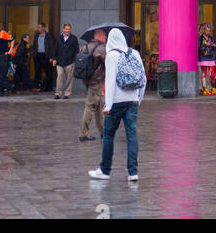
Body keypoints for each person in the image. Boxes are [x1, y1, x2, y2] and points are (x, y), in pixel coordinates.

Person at [89, 27, 146, 183]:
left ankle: (105, 170)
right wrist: (138, 98)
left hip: (116, 103)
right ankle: (133, 172)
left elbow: (110, 81)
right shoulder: (135, 53)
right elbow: (143, 78)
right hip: (132, 100)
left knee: (108, 136)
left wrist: (108, 104)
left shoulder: (111, 56)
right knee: (132, 136)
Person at [79, 28, 106, 142]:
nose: (105, 38)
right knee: (90, 106)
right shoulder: (101, 49)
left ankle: (103, 132)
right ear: (99, 36)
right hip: (97, 82)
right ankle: (83, 133)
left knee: (99, 106)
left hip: (87, 80)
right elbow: (108, 63)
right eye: (104, 36)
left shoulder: (84, 47)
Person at [52, 22, 79, 99]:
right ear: (63, 29)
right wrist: (54, 59)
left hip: (69, 62)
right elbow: (55, 49)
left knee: (69, 79)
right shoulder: (59, 38)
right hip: (59, 61)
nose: (67, 30)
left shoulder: (74, 38)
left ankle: (67, 93)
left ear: (70, 30)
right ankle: (58, 93)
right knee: (59, 77)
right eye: (66, 29)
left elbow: (76, 50)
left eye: (69, 29)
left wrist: (74, 60)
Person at [32, 22, 54, 92]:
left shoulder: (48, 36)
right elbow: (34, 45)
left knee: (48, 72)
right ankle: (38, 87)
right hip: (37, 56)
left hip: (46, 56)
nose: (38, 28)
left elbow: (51, 47)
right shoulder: (36, 36)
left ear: (44, 28)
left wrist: (51, 57)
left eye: (39, 27)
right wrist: (34, 54)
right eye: (38, 27)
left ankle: (48, 87)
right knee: (37, 71)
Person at [198, 22, 216, 95]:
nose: (208, 32)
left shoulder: (211, 38)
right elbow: (199, 48)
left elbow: (215, 46)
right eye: (207, 31)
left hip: (210, 58)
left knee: (212, 74)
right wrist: (205, 45)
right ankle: (205, 89)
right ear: (204, 30)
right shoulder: (201, 38)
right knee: (204, 74)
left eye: (209, 31)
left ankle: (213, 88)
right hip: (203, 58)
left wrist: (212, 45)